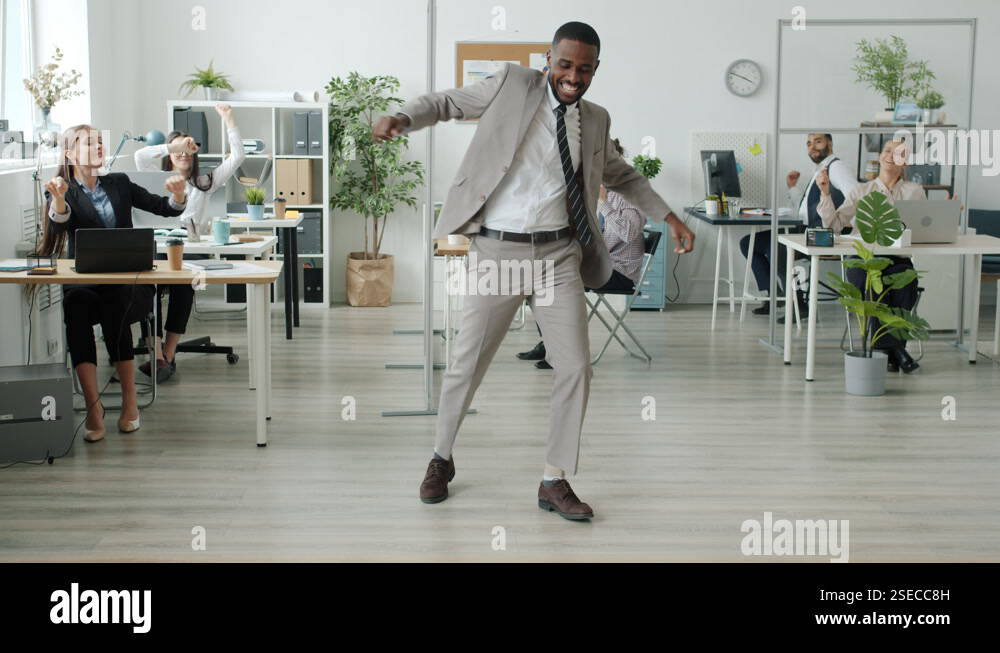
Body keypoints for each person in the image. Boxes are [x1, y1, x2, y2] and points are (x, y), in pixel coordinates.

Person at [374, 21, 695, 520]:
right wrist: (401, 116)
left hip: (559, 256)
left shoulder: (596, 118)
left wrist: (670, 217)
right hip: (497, 251)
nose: (573, 76)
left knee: (574, 366)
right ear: (548, 59)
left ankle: (554, 478)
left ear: (595, 70)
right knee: (467, 362)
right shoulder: (510, 83)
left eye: (584, 68)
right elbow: (444, 103)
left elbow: (623, 175)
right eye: (565, 64)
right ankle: (440, 457)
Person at [39, 124, 187, 442]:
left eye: (98, 142)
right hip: (86, 284)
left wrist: (177, 196)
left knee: (115, 304)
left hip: (129, 283)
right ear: (69, 153)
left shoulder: (119, 182)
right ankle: (94, 408)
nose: (98, 147)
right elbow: (58, 220)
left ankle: (129, 403)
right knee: (75, 305)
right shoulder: (61, 189)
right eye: (89, 143)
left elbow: (162, 207)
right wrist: (60, 200)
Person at [133, 104, 246, 382]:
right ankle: (155, 352)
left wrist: (228, 119)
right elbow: (140, 153)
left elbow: (238, 156)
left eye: (188, 150)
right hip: (153, 251)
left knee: (185, 286)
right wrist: (173, 145)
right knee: (147, 289)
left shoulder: (204, 181)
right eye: (177, 152)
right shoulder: (153, 178)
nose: (183, 155)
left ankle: (168, 354)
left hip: (188, 253)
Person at [518, 171, 647, 370]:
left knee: (551, 282)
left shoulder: (629, 196)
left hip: (620, 273)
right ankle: (549, 344)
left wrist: (603, 202)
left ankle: (559, 351)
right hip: (601, 265)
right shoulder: (594, 194)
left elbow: (628, 233)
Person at [817, 139, 924, 373]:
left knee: (906, 283)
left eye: (897, 153)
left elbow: (922, 229)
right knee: (871, 285)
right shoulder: (861, 191)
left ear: (905, 162)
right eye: (887, 150)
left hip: (897, 259)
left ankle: (886, 351)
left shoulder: (914, 192)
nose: (889, 155)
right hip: (863, 259)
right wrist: (825, 193)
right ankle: (896, 351)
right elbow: (833, 225)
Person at [740, 133, 857, 318]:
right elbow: (806, 210)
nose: (812, 147)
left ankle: (798, 304)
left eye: (818, 142)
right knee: (749, 242)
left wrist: (846, 227)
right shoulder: (821, 170)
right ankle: (775, 294)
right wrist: (793, 188)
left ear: (830, 143)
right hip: (806, 229)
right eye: (809, 143)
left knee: (777, 248)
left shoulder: (837, 167)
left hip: (824, 233)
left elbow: (856, 194)